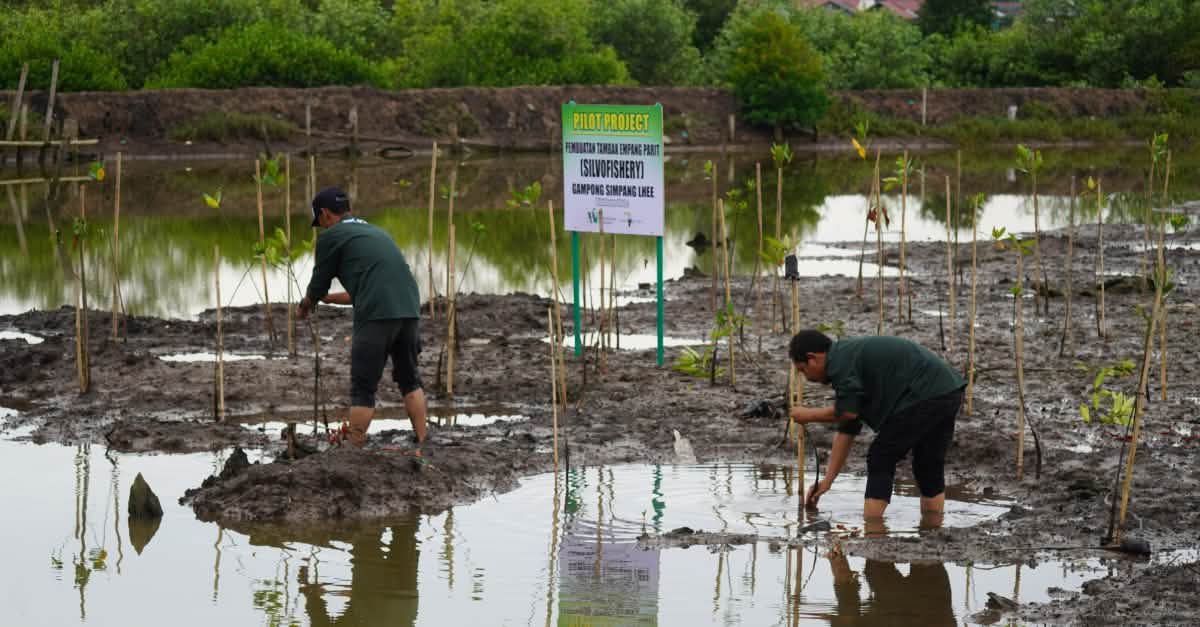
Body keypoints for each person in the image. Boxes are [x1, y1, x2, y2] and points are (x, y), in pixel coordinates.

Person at [787, 329, 966, 525]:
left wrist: (808, 415)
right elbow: (847, 427)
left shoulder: (839, 363)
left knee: (880, 456)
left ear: (812, 358)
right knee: (928, 463)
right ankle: (933, 528)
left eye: (803, 370)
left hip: (925, 393)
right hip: (948, 389)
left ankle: (873, 530)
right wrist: (827, 481)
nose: (806, 377)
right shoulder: (846, 358)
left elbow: (847, 413)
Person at [298, 187, 427, 448]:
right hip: (409, 308)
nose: (322, 228)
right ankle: (422, 442)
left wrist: (305, 306)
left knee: (363, 388)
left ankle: (354, 448)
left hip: (376, 316)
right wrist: (331, 299)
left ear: (324, 214)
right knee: (409, 379)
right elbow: (371, 288)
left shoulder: (331, 236)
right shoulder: (376, 232)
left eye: (320, 222)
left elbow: (318, 285)